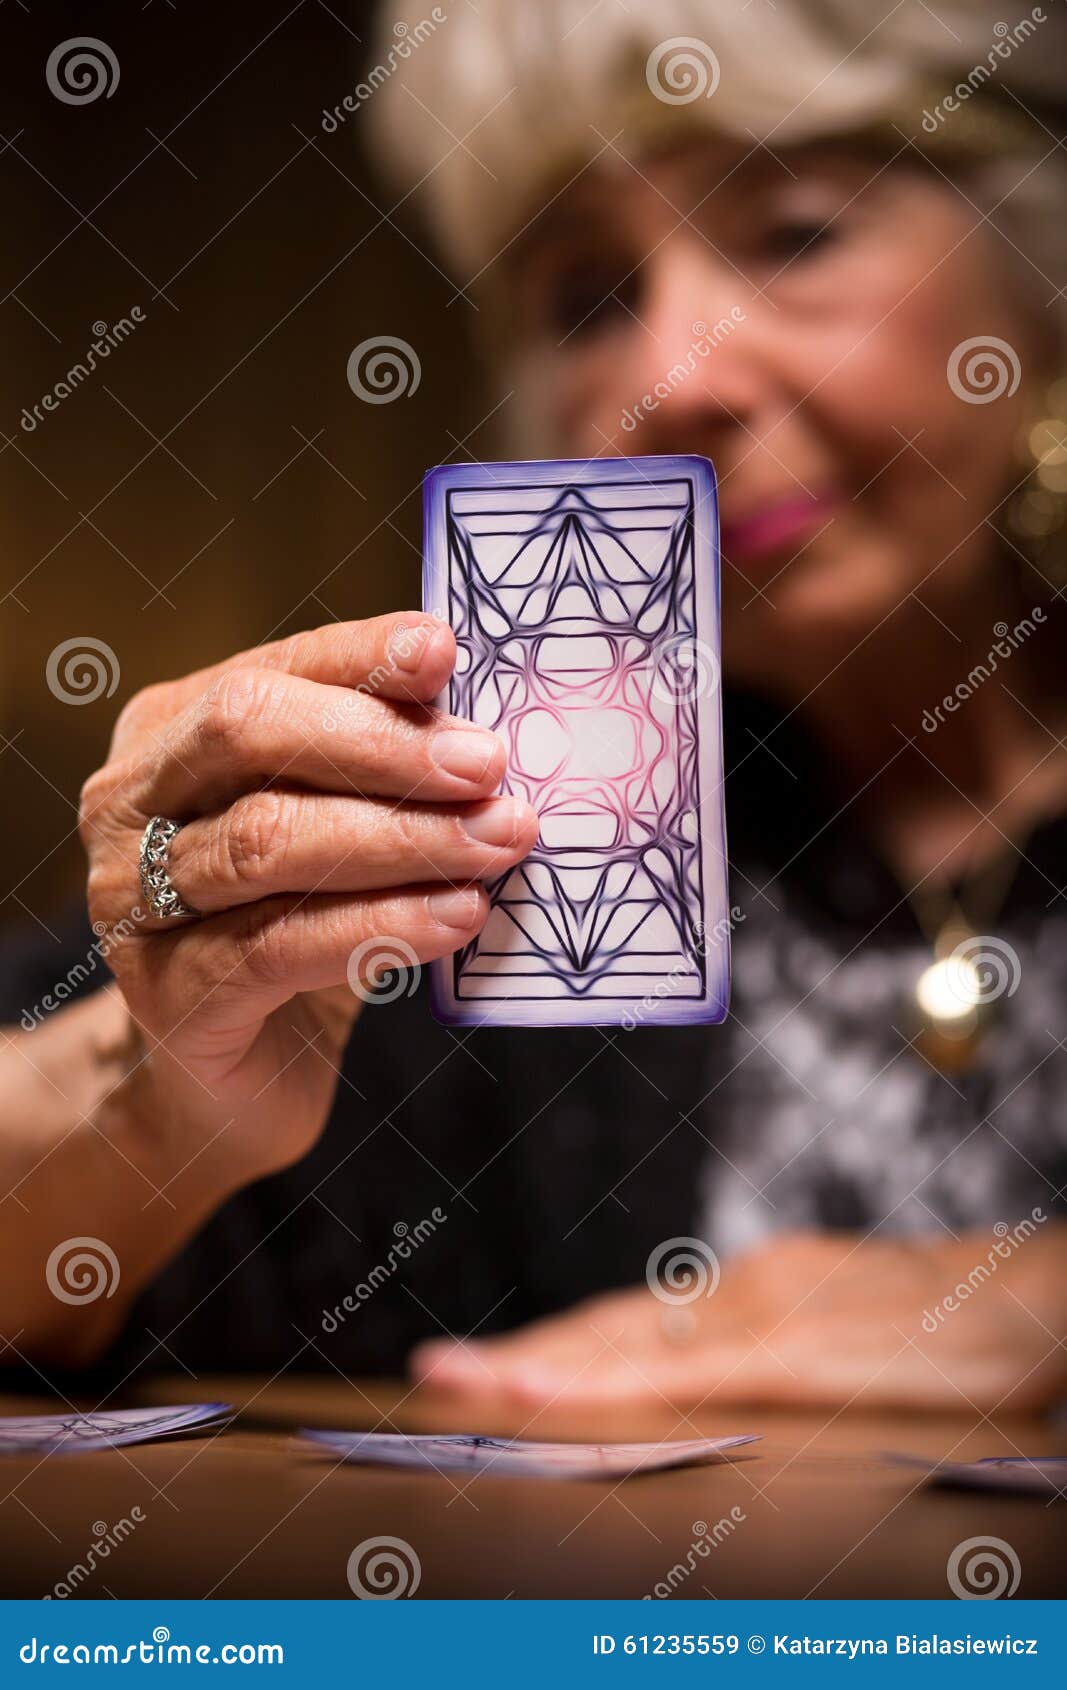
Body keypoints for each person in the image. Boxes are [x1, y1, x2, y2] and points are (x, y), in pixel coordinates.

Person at [2, 0, 1066, 1412]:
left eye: (797, 234)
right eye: (586, 299)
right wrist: (162, 1103)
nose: (676, 379)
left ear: (1031, 279)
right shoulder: (496, 844)